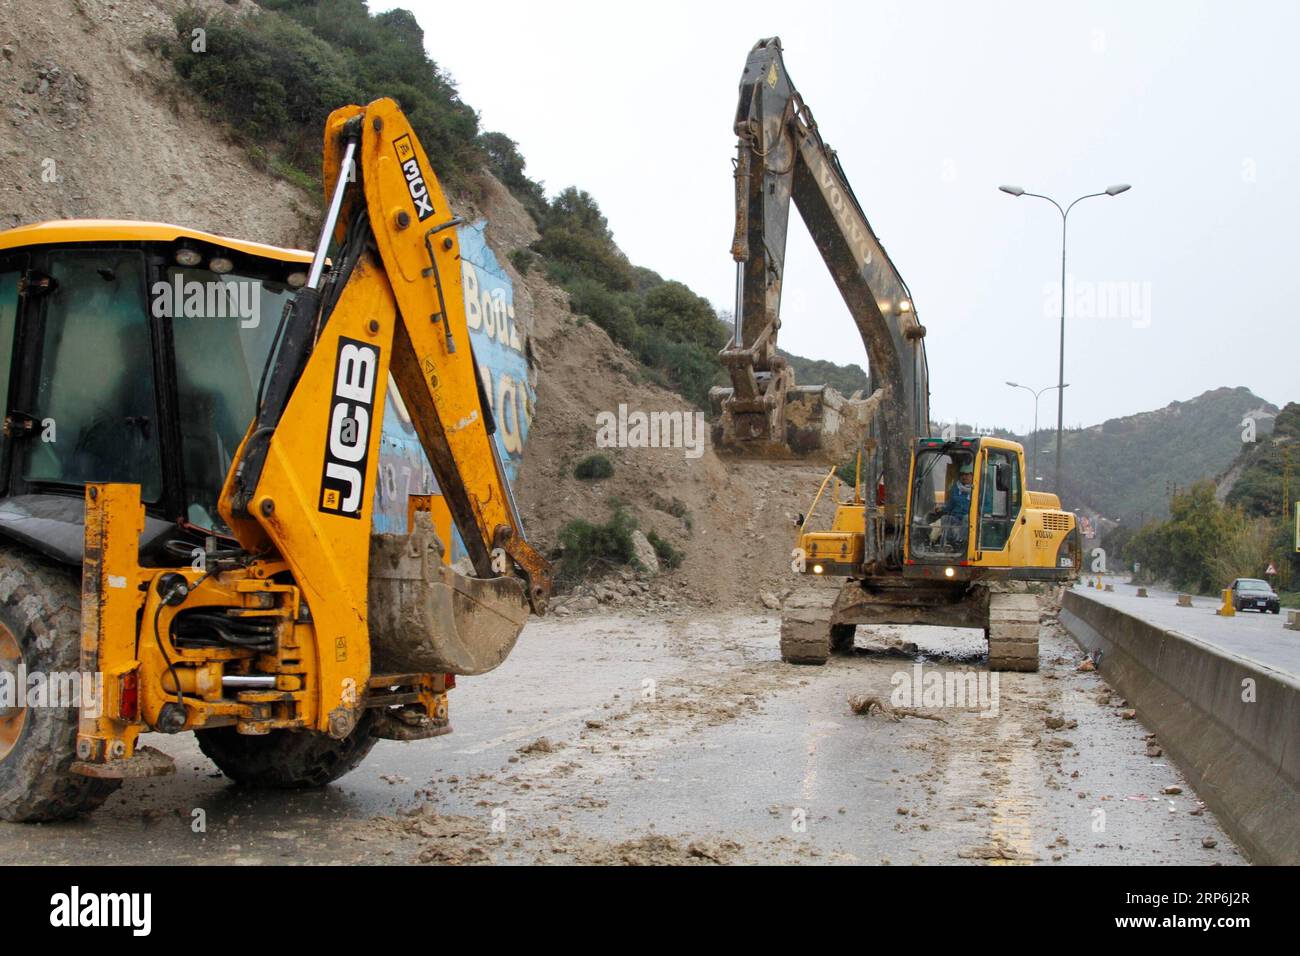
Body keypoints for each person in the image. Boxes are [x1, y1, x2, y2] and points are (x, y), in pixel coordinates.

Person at [929, 461, 974, 551]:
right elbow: (950, 504)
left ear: (972, 475)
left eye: (966, 474)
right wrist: (942, 508)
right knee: (946, 518)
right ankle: (936, 542)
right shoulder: (956, 488)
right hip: (957, 518)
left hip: (971, 520)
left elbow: (986, 507)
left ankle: (960, 543)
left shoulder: (979, 489)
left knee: (967, 518)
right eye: (962, 474)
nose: (964, 476)